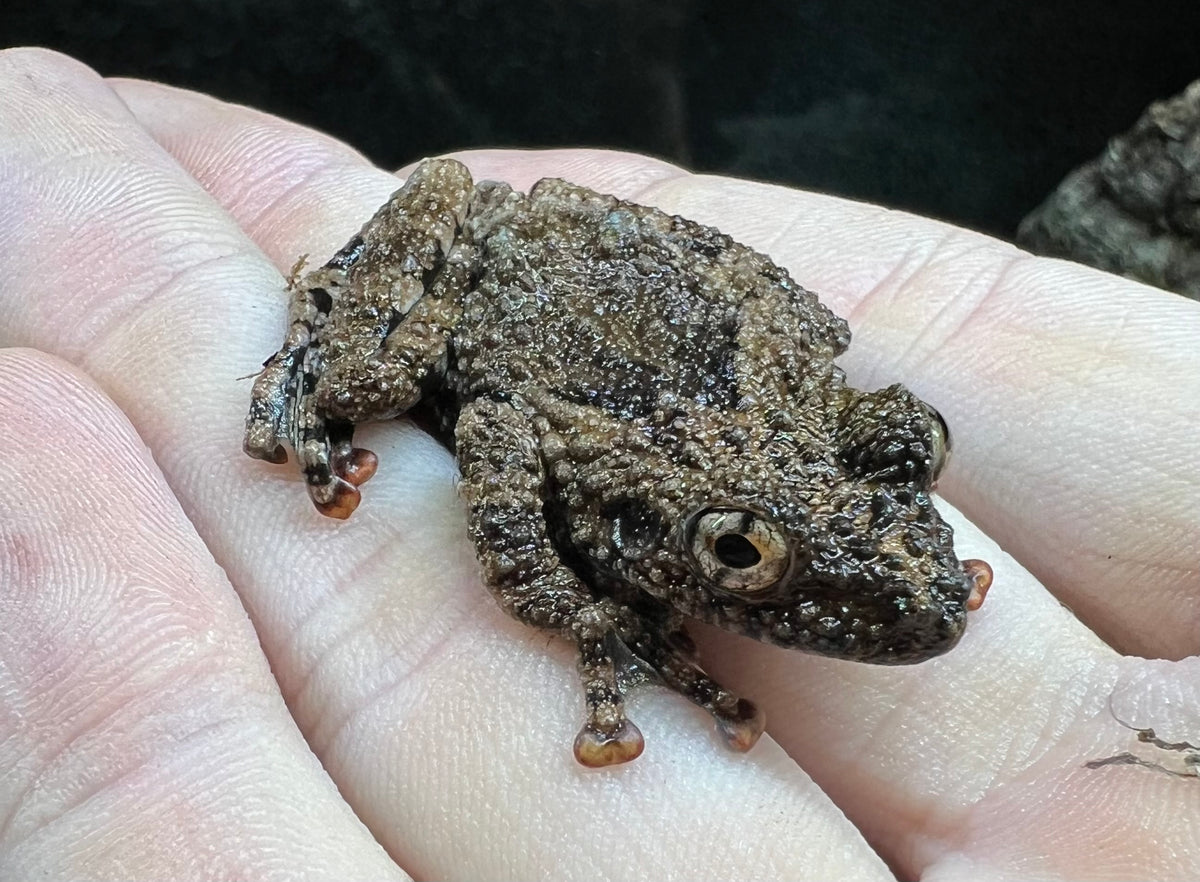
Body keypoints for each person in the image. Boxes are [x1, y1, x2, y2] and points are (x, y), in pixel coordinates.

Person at [0, 48, 1196, 880]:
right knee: (364, 381)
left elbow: (876, 417)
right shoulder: (624, 466)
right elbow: (501, 429)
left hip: (655, 295)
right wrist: (565, 600)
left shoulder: (802, 429)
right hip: (500, 269)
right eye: (742, 553)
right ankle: (317, 340)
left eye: (899, 473)